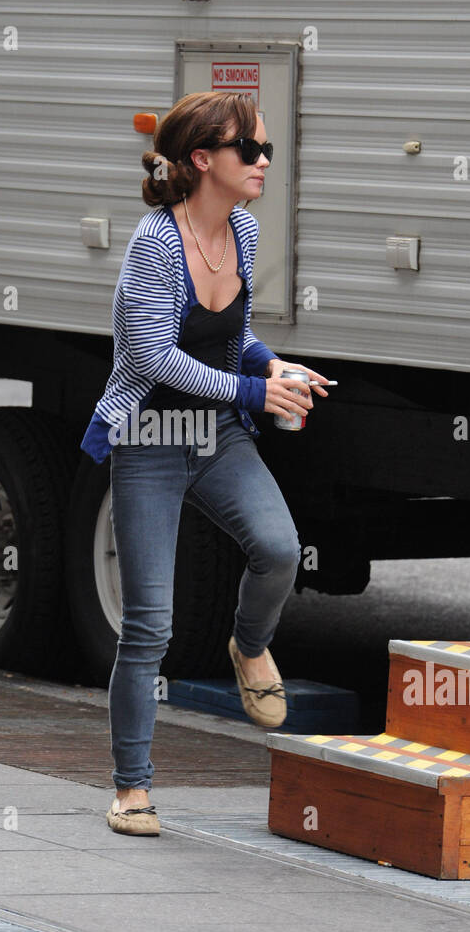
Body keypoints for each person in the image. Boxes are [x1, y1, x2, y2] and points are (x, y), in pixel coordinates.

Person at [79, 90, 330, 835]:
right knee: (149, 624)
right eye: (248, 151)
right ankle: (131, 788)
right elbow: (152, 356)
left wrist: (274, 365)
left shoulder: (245, 233)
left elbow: (233, 335)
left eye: (265, 151)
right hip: (151, 438)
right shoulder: (156, 243)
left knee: (281, 549)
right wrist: (258, 393)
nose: (262, 163)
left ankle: (248, 646)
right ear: (201, 160)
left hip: (215, 432)